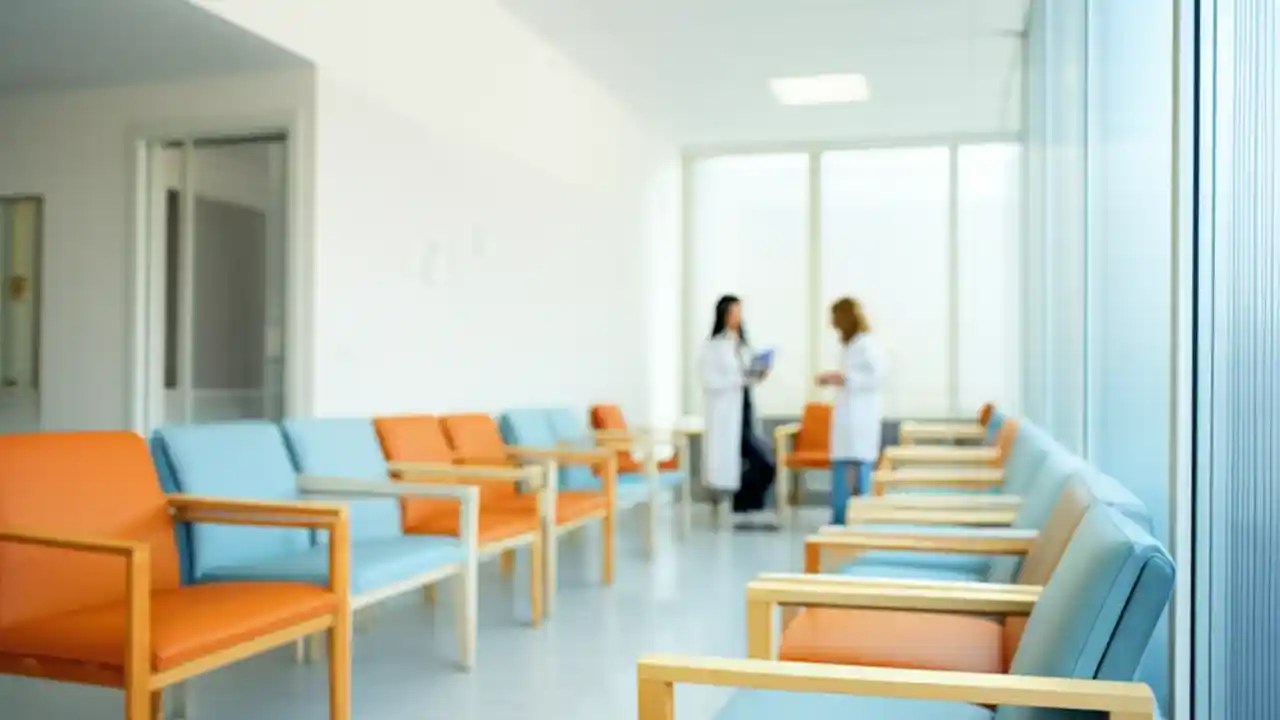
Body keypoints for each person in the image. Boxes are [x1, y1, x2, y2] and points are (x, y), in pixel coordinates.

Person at [699, 295, 778, 529]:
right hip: (725, 411)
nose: (738, 317)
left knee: (762, 461)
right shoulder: (713, 347)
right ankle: (740, 507)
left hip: (743, 407)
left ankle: (745, 507)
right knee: (761, 461)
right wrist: (738, 379)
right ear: (723, 315)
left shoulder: (741, 344)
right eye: (734, 312)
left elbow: (746, 375)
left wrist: (758, 373)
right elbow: (709, 380)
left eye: (739, 312)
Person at [817, 297, 888, 525]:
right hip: (849, 418)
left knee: (857, 471)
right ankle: (840, 520)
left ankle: (856, 521)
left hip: (860, 418)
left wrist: (844, 377)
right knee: (843, 470)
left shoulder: (867, 344)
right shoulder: (850, 345)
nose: (832, 324)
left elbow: (878, 377)